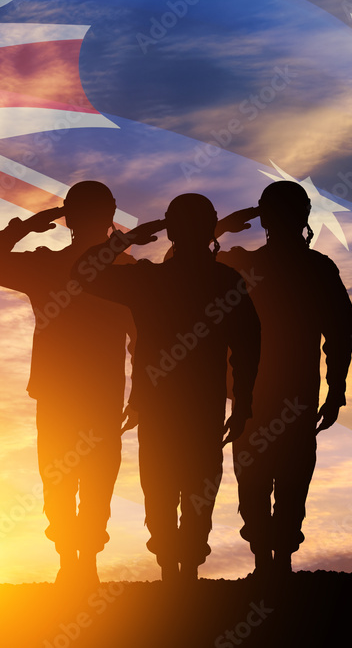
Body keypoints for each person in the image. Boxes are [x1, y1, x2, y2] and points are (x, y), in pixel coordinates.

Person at [72, 193, 260, 582]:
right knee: (195, 483)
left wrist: (124, 240)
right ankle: (184, 567)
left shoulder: (149, 279)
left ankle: (176, 569)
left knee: (162, 483)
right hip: (197, 402)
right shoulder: (224, 281)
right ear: (209, 229)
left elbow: (82, 274)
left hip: (163, 401)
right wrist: (242, 403)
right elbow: (247, 346)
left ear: (170, 230)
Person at [0, 181, 142, 587]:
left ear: (67, 218)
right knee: (81, 474)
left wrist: (28, 226)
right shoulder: (116, 268)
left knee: (68, 474)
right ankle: (76, 560)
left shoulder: (58, 266)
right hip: (82, 390)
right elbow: (141, 337)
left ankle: (76, 560)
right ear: (110, 214)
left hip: (76, 391)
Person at [217, 181, 352, 577]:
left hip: (262, 393)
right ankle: (274, 564)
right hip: (282, 393)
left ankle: (269, 563)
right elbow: (340, 332)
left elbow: (185, 259)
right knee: (285, 474)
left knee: (262, 474)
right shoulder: (313, 268)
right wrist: (336, 388)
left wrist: (219, 229)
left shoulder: (247, 266)